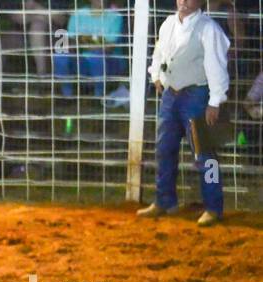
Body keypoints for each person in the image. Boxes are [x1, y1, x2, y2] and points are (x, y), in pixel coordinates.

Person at [138, 0, 231, 226]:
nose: (183, 0)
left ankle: (213, 206)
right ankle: (164, 200)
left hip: (197, 95)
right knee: (164, 150)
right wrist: (156, 75)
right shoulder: (168, 23)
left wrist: (215, 100)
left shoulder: (209, 29)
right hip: (172, 94)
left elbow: (216, 65)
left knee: (205, 154)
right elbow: (159, 53)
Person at [53, 0, 127, 98]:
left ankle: (98, 96)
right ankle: (67, 96)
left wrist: (82, 40)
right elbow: (71, 43)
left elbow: (109, 48)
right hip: (82, 62)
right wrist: (99, 41)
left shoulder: (115, 17)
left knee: (97, 55)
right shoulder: (78, 14)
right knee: (60, 56)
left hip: (109, 63)